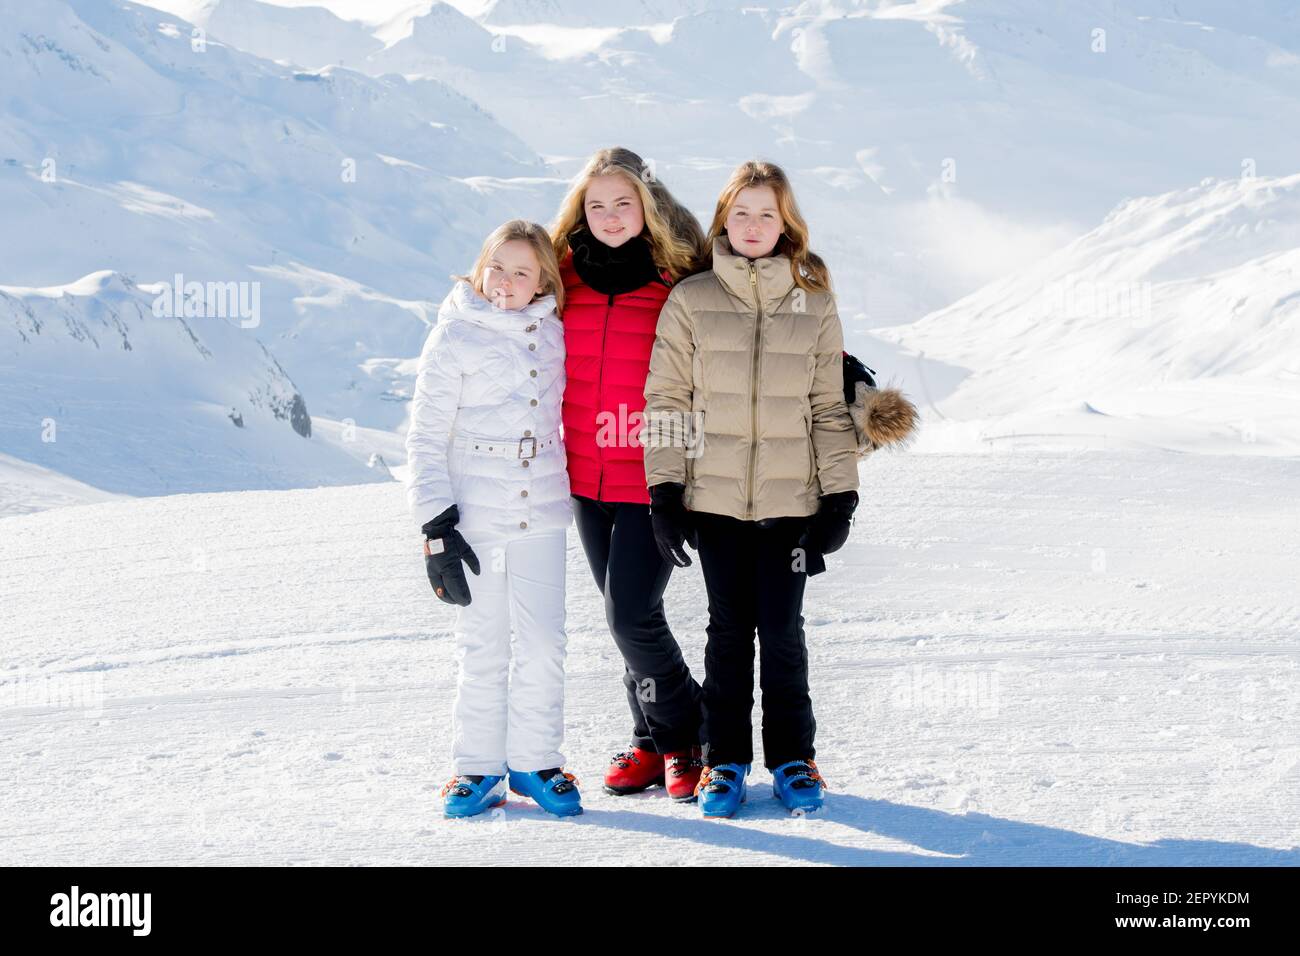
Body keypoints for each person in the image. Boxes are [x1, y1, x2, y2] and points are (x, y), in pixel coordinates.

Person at [642, 161, 861, 817]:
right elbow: (666, 400)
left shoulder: (814, 303)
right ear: (724, 221)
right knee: (729, 633)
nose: (755, 225)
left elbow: (829, 406)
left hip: (791, 505)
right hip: (714, 502)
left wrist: (839, 497)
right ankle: (725, 762)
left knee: (784, 633)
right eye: (742, 213)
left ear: (786, 221)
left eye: (768, 213)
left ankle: (794, 758)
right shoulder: (693, 300)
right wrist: (665, 488)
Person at [549, 147, 710, 801]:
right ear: (580, 213)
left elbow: (708, 371)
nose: (611, 216)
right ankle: (649, 741)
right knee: (628, 620)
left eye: (624, 202)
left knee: (629, 617)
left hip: (654, 480)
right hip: (586, 479)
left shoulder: (677, 281)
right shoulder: (562, 277)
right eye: (597, 205)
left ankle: (685, 735)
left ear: (647, 206)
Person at [405, 220, 580, 818]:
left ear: (542, 282)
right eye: (496, 267)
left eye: (522, 271)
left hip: (543, 505)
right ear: (479, 268)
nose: (505, 281)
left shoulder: (554, 333)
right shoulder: (454, 335)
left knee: (543, 642)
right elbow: (425, 436)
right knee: (482, 644)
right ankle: (477, 768)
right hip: (474, 511)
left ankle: (536, 763)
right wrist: (435, 525)